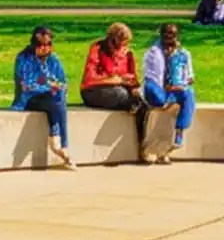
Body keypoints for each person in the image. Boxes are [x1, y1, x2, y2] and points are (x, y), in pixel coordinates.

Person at [11, 26, 76, 170]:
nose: (44, 48)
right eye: (40, 45)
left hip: (51, 100)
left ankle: (59, 144)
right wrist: (50, 87)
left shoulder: (54, 60)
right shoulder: (23, 59)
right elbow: (27, 86)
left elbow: (63, 82)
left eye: (48, 45)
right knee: (57, 99)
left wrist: (56, 88)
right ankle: (62, 145)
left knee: (58, 99)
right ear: (33, 44)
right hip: (30, 100)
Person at [143, 23, 196, 157]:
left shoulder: (184, 54)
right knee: (154, 93)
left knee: (189, 93)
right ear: (161, 35)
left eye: (172, 34)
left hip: (176, 89)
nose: (169, 37)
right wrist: (165, 86)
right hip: (159, 89)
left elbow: (190, 77)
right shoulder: (153, 53)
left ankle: (179, 132)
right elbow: (151, 76)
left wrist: (181, 84)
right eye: (166, 34)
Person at [80, 23, 142, 111]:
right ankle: (131, 104)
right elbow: (89, 79)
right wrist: (113, 80)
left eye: (124, 44)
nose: (121, 47)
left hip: (121, 89)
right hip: (94, 90)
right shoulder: (97, 49)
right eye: (118, 43)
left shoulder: (128, 54)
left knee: (141, 95)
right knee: (121, 93)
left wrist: (132, 85)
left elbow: (133, 79)